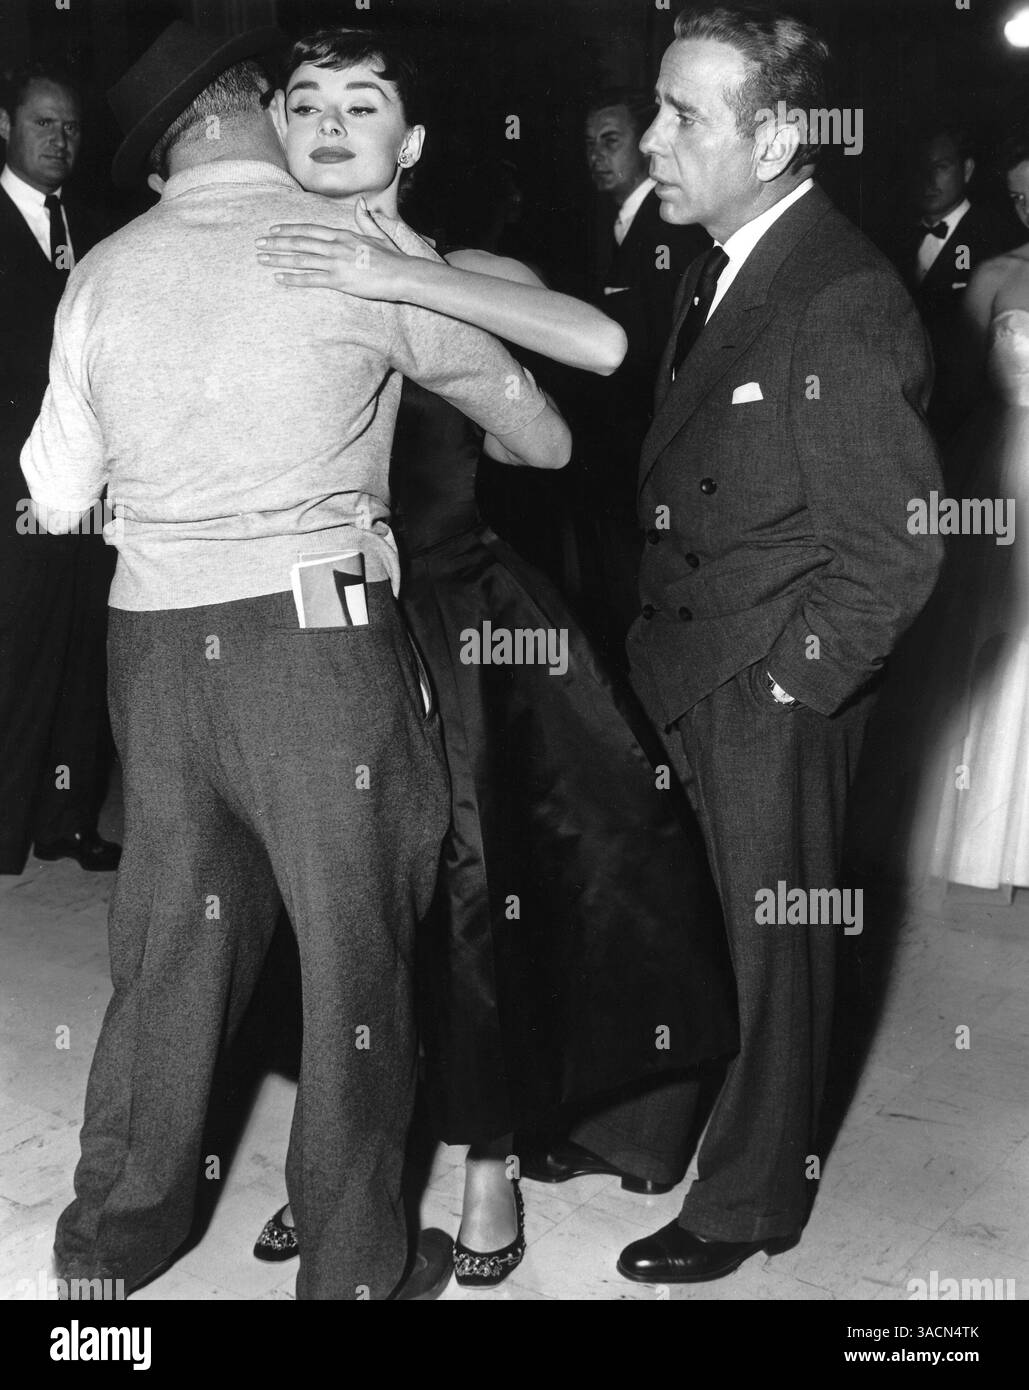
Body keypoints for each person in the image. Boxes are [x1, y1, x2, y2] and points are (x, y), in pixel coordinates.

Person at [23, 20, 571, 1302]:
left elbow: (55, 500)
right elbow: (539, 434)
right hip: (315, 646)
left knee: (165, 951)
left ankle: (109, 1242)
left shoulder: (103, 269)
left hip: (153, 656)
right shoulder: (354, 257)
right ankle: (354, 1268)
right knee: (354, 960)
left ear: (168, 148)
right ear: (261, 108)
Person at [248, 27, 737, 1289]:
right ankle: (342, 1156)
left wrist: (403, 274)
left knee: (475, 892)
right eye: (305, 104)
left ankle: (487, 1159)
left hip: (461, 618)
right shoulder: (249, 266)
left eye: (364, 103)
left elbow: (595, 356)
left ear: (410, 146)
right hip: (311, 620)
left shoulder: (465, 266)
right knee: (330, 895)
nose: (331, 122)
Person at [529, 2, 943, 1285]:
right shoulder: (719, 262)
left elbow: (899, 547)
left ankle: (754, 1196)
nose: (653, 139)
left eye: (682, 115)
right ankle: (642, 1129)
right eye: (656, 107)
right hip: (681, 659)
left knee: (773, 952)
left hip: (768, 682)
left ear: (773, 141)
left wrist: (790, 682)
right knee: (671, 914)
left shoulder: (843, 297)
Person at [902, 130, 1029, 896]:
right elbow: (955, 394)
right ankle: (990, 835)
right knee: (996, 634)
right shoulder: (993, 276)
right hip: (1005, 469)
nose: (1027, 206)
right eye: (1018, 197)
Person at [0, 59, 119, 875]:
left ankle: (65, 819)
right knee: (17, 647)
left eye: (71, 126)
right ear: (5, 126)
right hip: (12, 483)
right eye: (44, 123)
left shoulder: (99, 223)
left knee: (87, 643)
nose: (61, 139)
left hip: (94, 479)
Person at [577, 89, 711, 667]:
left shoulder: (666, 227)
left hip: (646, 451)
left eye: (611, 142)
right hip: (618, 454)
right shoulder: (616, 226)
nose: (597, 157)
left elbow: (667, 349)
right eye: (589, 146)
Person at [896, 123, 1017, 445]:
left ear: (967, 169)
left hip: (971, 423)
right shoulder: (888, 238)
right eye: (920, 168)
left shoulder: (999, 240)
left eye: (941, 167)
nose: (928, 179)